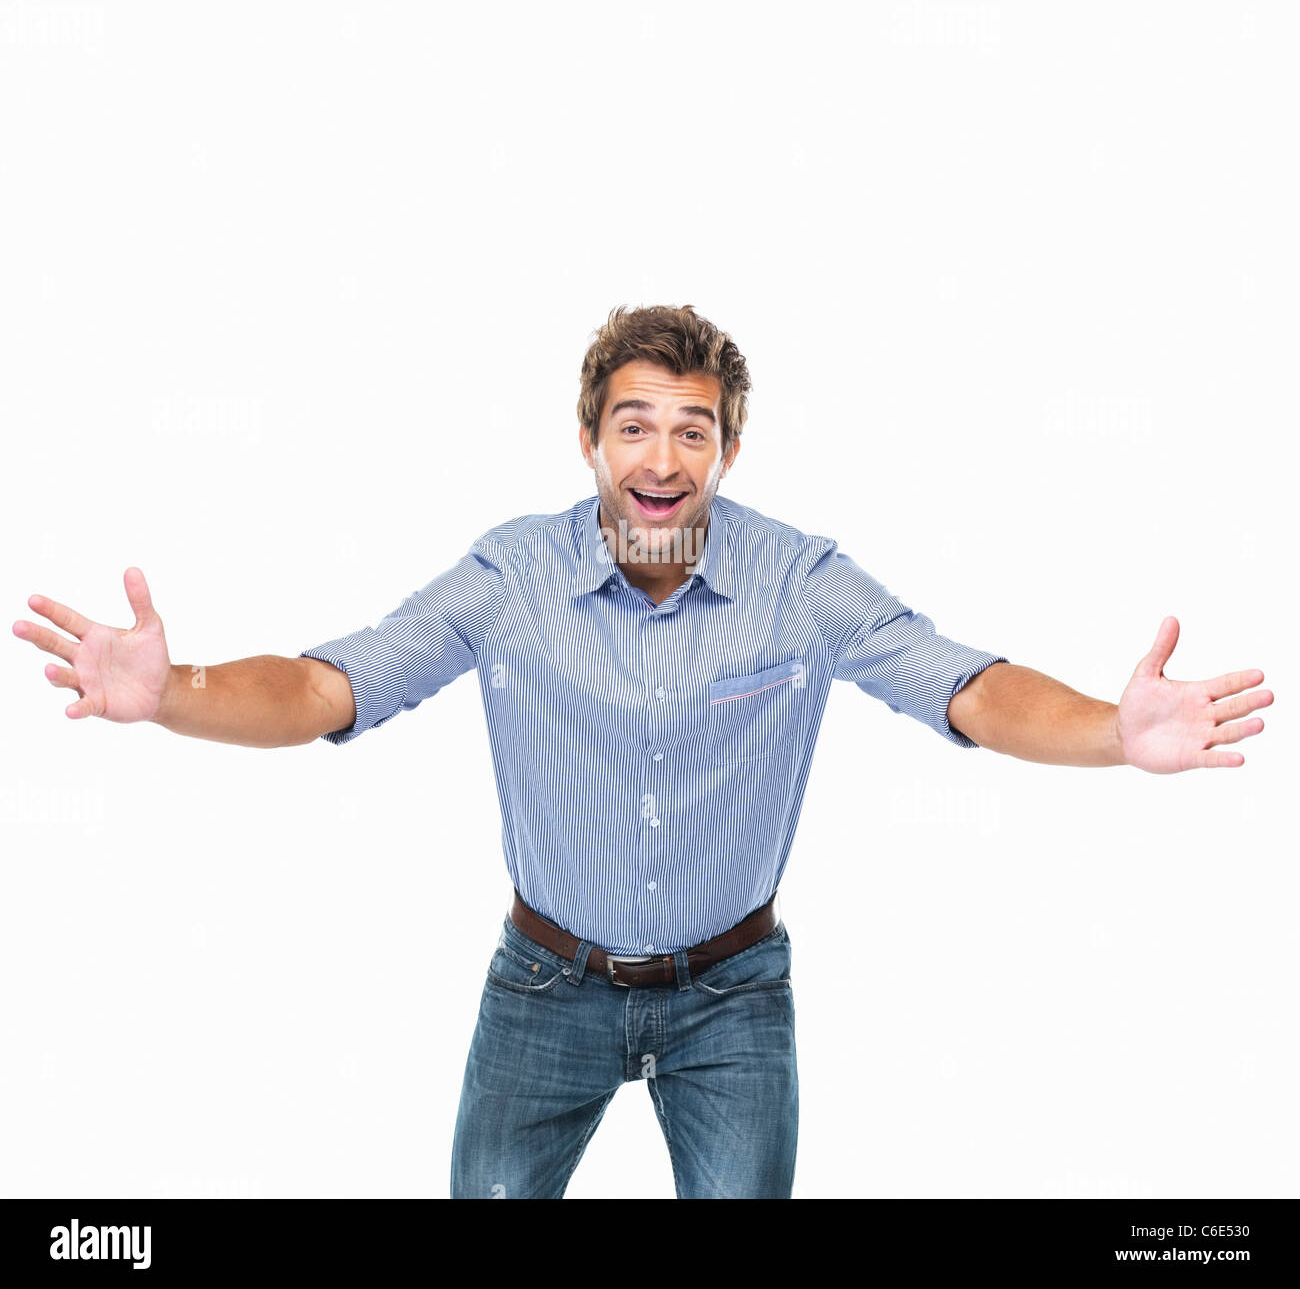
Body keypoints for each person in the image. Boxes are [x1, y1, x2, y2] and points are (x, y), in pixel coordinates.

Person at [12, 303, 1273, 1199]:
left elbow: (965, 689)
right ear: (589, 443)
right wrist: (171, 690)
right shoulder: (510, 574)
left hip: (733, 995)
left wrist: (1115, 733)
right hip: (543, 988)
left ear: (727, 449)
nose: (661, 459)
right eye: (634, 427)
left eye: (692, 431)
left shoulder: (800, 583)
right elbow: (330, 683)